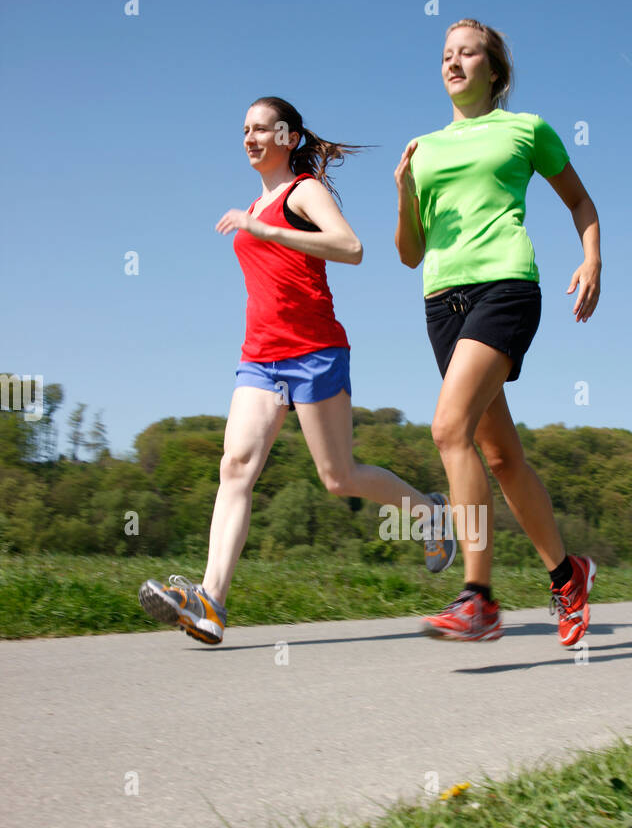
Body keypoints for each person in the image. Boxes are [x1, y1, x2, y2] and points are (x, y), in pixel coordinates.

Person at [140, 96, 454, 645]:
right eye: (244, 130)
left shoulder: (300, 192)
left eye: (262, 128)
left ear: (288, 136)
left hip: (315, 352)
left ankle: (431, 512)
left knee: (338, 478)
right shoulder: (252, 205)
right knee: (235, 466)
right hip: (260, 357)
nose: (250, 137)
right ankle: (210, 602)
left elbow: (351, 248)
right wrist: (256, 227)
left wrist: (266, 231)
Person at [394, 19, 602, 645]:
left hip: (506, 287)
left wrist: (592, 258)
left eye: (468, 53)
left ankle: (477, 598)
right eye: (446, 54)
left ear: (494, 69)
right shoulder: (423, 149)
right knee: (502, 456)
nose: (454, 62)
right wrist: (403, 192)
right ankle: (568, 575)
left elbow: (580, 202)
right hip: (441, 301)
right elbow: (408, 252)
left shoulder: (526, 129)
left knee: (447, 429)